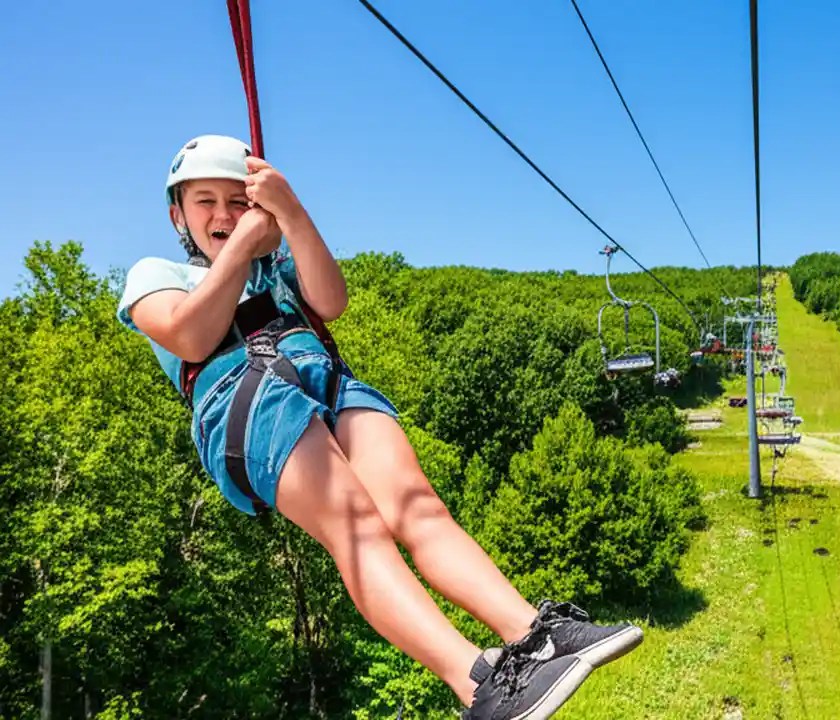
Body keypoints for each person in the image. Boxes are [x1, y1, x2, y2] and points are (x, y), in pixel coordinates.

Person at [116, 134, 642, 719]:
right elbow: (189, 335)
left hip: (325, 382)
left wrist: (290, 213)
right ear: (178, 215)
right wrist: (243, 248)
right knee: (358, 525)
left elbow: (331, 300)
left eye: (238, 201)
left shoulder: (278, 264)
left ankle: (534, 633)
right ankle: (477, 683)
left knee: (416, 507)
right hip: (246, 400)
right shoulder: (155, 274)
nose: (223, 215)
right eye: (205, 201)